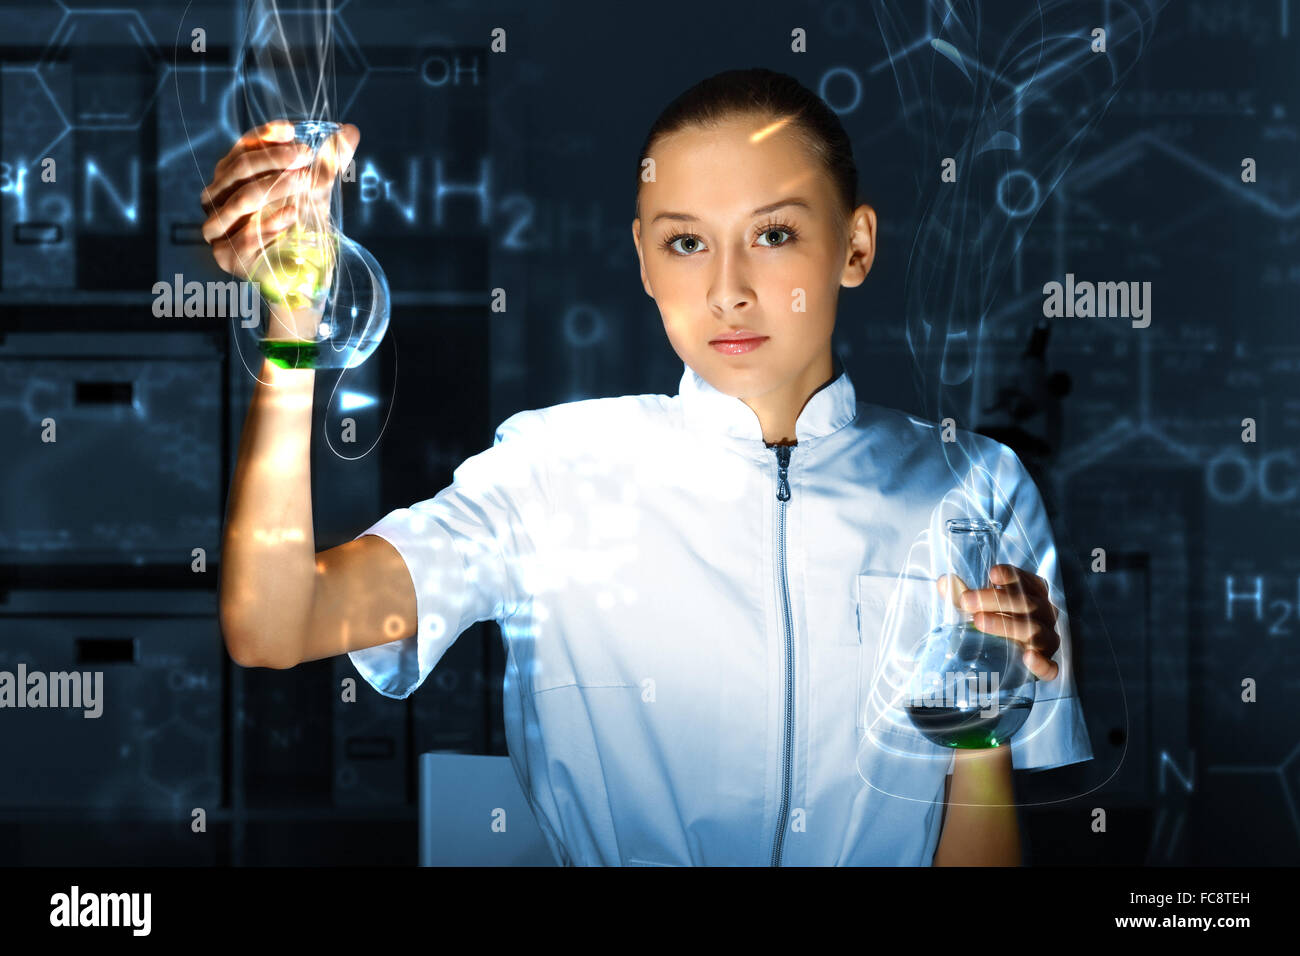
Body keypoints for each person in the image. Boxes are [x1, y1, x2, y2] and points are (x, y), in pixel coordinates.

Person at [206, 68, 1093, 867]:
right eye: (686, 243)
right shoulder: (551, 474)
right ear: (642, 257)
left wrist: (985, 728)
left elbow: (979, 820)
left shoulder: (974, 488)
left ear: (855, 246)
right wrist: (292, 324)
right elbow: (277, 624)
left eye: (775, 233)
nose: (729, 290)